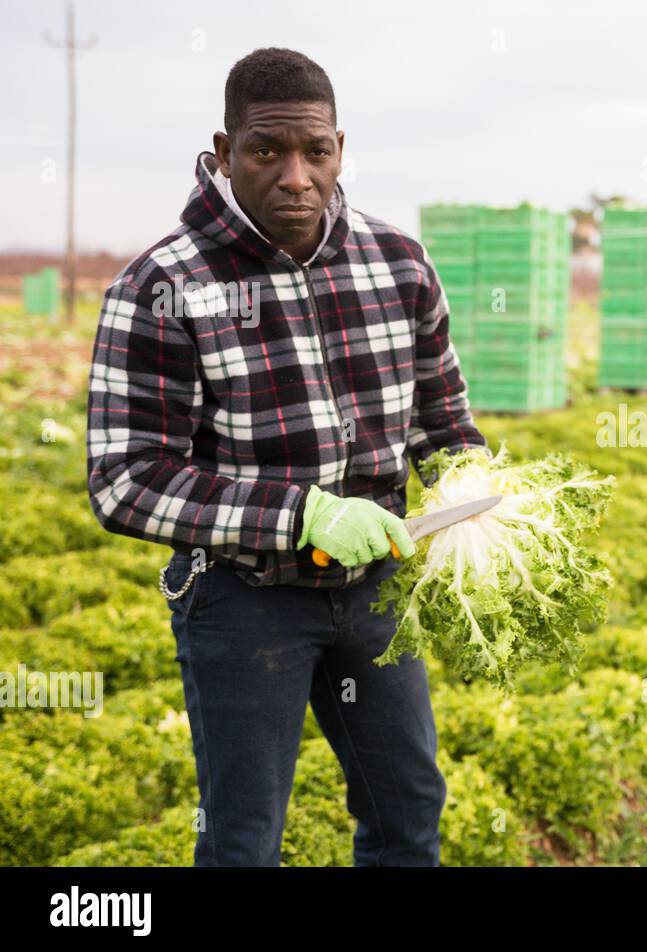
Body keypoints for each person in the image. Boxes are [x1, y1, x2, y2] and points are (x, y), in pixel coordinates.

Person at [85, 48, 485, 866]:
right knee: (243, 838)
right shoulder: (161, 286)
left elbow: (444, 425)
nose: (296, 176)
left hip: (376, 593)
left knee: (408, 813)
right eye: (268, 152)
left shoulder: (398, 264)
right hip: (243, 600)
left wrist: (482, 491)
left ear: (340, 148)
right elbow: (127, 481)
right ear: (225, 153)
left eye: (316, 152)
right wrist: (300, 514)